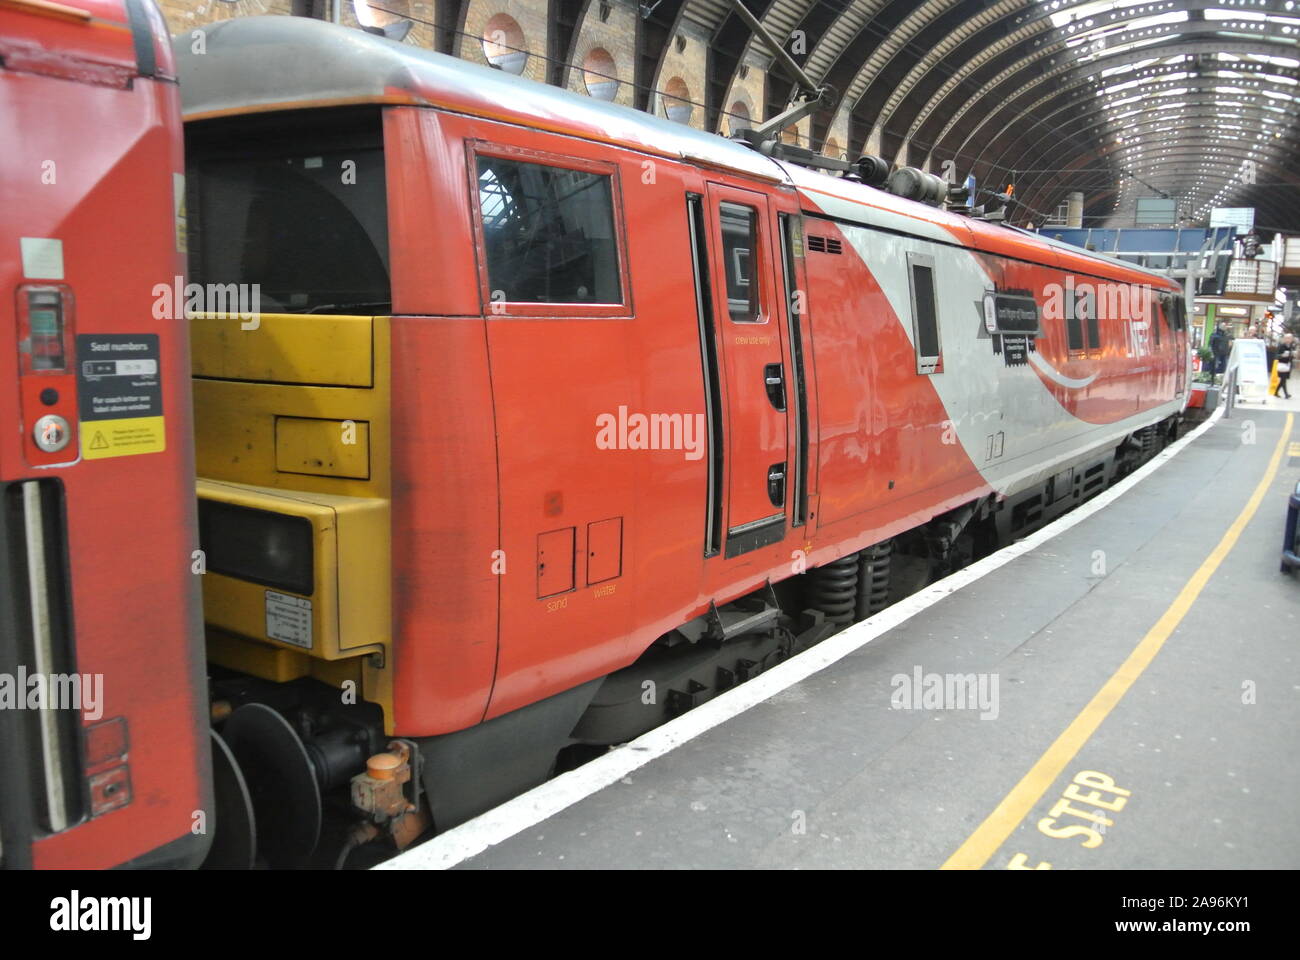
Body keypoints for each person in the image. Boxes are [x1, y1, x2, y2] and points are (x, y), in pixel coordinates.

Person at [1275, 334, 1294, 399]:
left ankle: (1275, 392)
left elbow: (1291, 355)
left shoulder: (1291, 346)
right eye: (1287, 338)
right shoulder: (1281, 346)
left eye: (1290, 338)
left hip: (1288, 365)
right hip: (1282, 364)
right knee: (1283, 380)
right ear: (1284, 339)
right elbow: (1277, 356)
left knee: (1283, 380)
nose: (1289, 340)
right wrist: (1282, 355)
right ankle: (1286, 394)